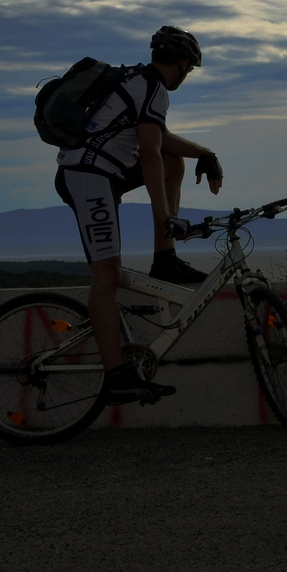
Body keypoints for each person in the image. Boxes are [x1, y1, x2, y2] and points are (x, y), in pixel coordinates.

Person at [53, 25, 224, 404]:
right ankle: (115, 376)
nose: (187, 75)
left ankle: (165, 260)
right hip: (89, 176)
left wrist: (205, 153)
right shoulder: (154, 89)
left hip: (99, 170)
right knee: (107, 276)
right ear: (182, 63)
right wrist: (166, 215)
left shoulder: (138, 80)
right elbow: (148, 151)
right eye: (190, 69)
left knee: (173, 159)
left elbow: (159, 143)